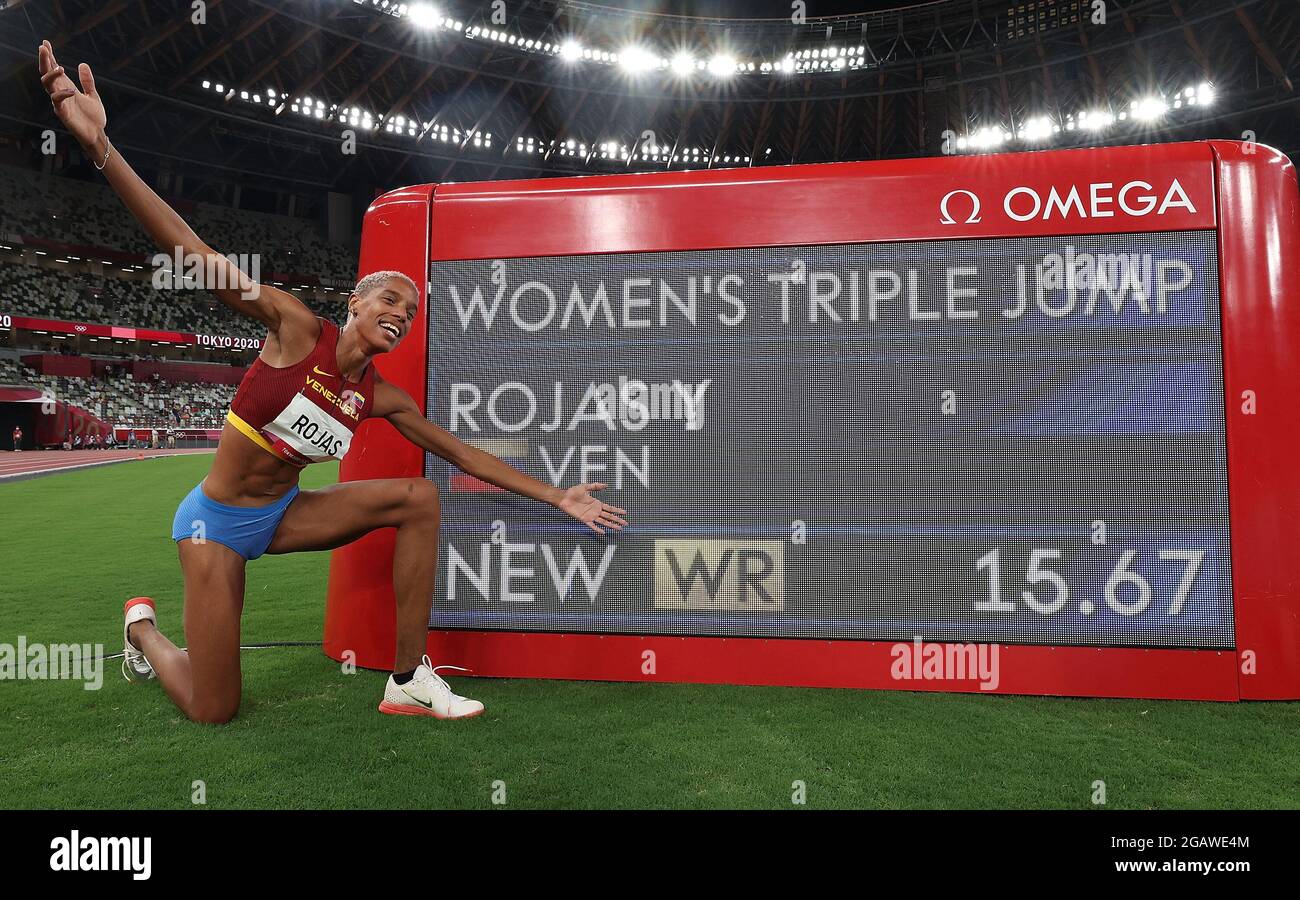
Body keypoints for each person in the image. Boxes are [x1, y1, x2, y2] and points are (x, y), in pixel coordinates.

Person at [39, 40, 628, 725]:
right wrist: (103, 149)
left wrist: (559, 495)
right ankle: (142, 629)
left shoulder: (378, 397)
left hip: (286, 517)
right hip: (215, 525)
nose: (399, 318)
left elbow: (462, 454)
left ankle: (408, 677)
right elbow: (192, 253)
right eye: (388, 304)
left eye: (409, 315)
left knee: (419, 496)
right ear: (355, 303)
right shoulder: (294, 327)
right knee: (213, 708)